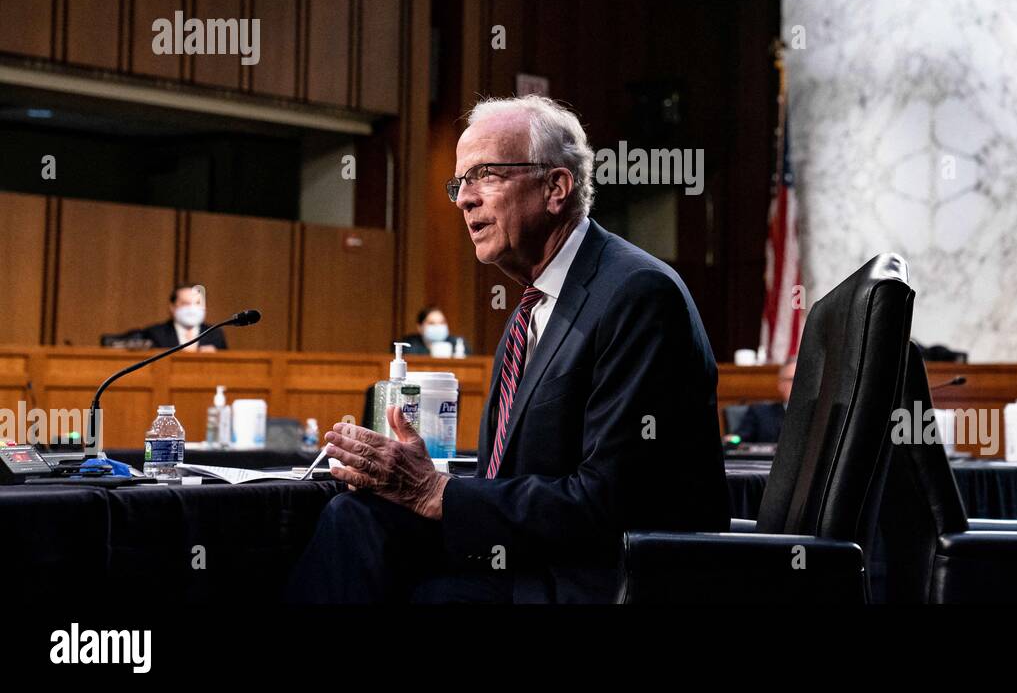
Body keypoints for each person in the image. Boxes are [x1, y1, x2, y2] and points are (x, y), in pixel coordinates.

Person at [288, 95, 728, 603]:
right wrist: (419, 479)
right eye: (459, 183)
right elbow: (513, 475)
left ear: (556, 188)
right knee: (354, 516)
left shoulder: (637, 293)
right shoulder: (531, 308)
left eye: (485, 175)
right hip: (527, 559)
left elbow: (611, 500)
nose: (463, 200)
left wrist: (436, 491)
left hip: (596, 580)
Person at [133, 284, 227, 351]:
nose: (192, 308)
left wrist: (215, 355)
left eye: (198, 303)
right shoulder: (156, 333)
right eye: (185, 303)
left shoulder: (215, 334)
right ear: (172, 307)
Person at [734, 359, 794, 443]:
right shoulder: (760, 412)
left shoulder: (816, 414)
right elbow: (738, 438)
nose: (798, 386)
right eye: (792, 380)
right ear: (780, 384)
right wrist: (733, 440)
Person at [399, 306, 472, 356]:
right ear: (420, 327)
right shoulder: (408, 345)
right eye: (431, 323)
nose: (438, 327)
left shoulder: (457, 343)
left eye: (442, 323)